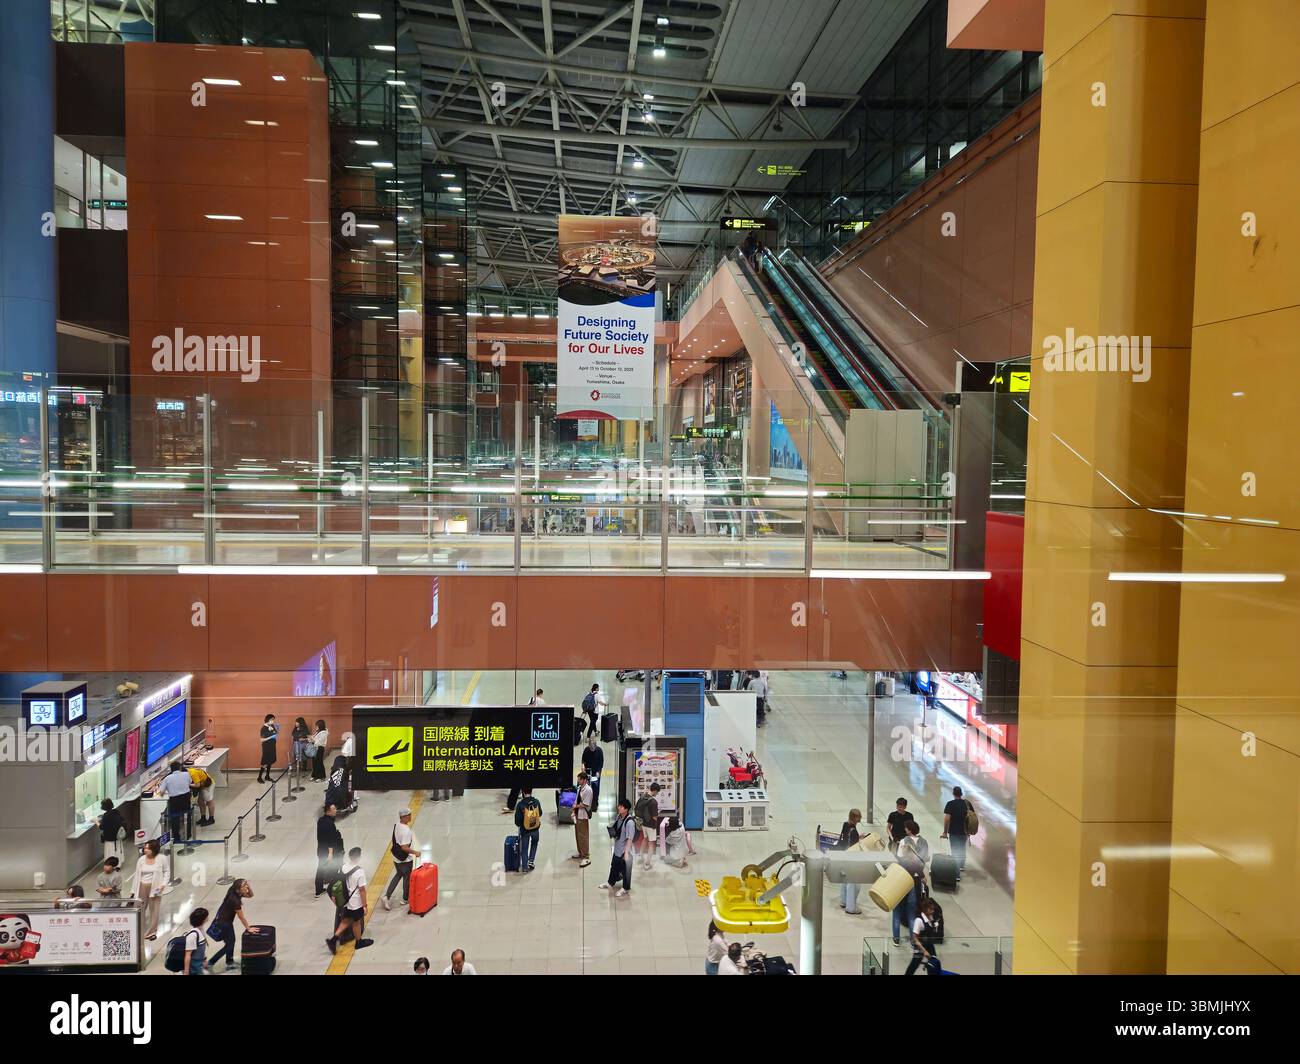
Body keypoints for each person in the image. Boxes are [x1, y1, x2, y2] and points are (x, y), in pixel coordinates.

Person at [327, 847, 372, 953]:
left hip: (345, 901)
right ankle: (358, 942)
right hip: (355, 903)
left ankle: (333, 940)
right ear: (358, 857)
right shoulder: (359, 871)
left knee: (345, 920)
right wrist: (365, 905)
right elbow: (362, 890)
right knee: (356, 922)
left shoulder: (343, 867)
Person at [207, 878, 256, 972]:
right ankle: (211, 962)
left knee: (230, 942)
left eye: (246, 884)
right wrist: (248, 928)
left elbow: (251, 895)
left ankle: (229, 962)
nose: (246, 886)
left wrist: (248, 886)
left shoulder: (234, 891)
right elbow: (241, 917)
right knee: (229, 945)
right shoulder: (235, 900)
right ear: (238, 889)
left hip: (226, 922)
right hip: (224, 924)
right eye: (244, 885)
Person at [130, 839, 169, 940]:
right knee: (140, 908)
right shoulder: (141, 860)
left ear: (154, 849)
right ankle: (138, 929)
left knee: (154, 910)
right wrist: (133, 890)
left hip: (155, 888)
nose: (145, 850)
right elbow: (137, 875)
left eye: (147, 848)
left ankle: (152, 932)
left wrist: (163, 884)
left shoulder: (162, 858)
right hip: (142, 886)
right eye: (145, 848)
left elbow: (166, 872)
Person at [599, 797, 636, 897]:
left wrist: (626, 852)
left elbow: (630, 838)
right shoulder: (619, 817)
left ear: (626, 809)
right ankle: (610, 882)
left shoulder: (630, 822)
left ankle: (625, 888)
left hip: (625, 851)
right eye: (619, 805)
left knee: (626, 871)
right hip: (617, 848)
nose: (618, 807)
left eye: (621, 806)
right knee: (614, 866)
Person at [382, 807, 417, 910]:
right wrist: (416, 852)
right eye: (409, 815)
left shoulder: (397, 825)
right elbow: (404, 847)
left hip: (396, 857)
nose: (411, 816)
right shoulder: (406, 831)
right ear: (404, 817)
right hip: (405, 859)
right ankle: (405, 899)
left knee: (398, 875)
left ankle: (386, 896)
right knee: (406, 878)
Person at [904, 897, 942, 975]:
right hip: (920, 948)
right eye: (930, 909)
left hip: (929, 945)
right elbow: (915, 938)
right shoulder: (919, 921)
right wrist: (924, 951)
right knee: (913, 966)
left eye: (933, 909)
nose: (932, 911)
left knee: (934, 964)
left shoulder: (930, 917)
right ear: (925, 909)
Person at [941, 785, 972, 879]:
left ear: (953, 794)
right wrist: (969, 831)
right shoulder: (967, 804)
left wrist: (945, 831)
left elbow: (947, 818)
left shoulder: (950, 804)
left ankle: (956, 875)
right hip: (964, 831)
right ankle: (961, 866)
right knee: (962, 848)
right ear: (961, 794)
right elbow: (972, 817)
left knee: (955, 852)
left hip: (954, 832)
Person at [836, 808, 863, 914]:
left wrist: (858, 838)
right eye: (858, 816)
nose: (860, 818)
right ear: (854, 817)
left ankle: (843, 901)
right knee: (854, 883)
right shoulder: (854, 832)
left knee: (845, 880)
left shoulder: (846, 825)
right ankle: (851, 907)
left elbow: (845, 839)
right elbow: (854, 847)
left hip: (843, 856)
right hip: (851, 859)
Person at [159, 760, 194, 842]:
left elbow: (161, 792)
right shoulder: (186, 774)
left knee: (175, 819)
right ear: (180, 768)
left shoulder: (167, 778)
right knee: (187, 816)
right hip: (186, 798)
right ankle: (188, 835)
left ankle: (176, 837)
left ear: (171, 769)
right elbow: (189, 783)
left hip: (174, 800)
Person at [315, 802, 344, 897]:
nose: (336, 811)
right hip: (328, 851)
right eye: (334, 809)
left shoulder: (320, 821)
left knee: (320, 869)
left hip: (320, 849)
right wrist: (331, 853)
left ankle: (319, 889)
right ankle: (334, 888)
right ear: (328, 811)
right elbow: (331, 840)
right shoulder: (330, 824)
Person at [514, 788, 542, 874]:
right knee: (534, 843)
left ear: (523, 792)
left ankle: (525, 867)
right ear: (531, 791)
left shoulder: (520, 804)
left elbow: (517, 821)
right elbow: (540, 813)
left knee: (524, 848)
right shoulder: (536, 801)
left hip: (525, 830)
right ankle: (531, 861)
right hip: (535, 829)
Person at [634, 783, 661, 870]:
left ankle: (640, 855)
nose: (657, 794)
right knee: (651, 843)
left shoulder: (642, 797)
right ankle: (647, 863)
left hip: (643, 824)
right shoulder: (653, 802)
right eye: (657, 792)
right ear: (655, 791)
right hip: (651, 825)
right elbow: (654, 817)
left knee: (645, 839)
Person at [571, 771, 593, 867]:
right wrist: (574, 808)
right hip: (577, 814)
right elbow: (577, 799)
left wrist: (576, 806)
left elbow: (585, 804)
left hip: (583, 816)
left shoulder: (588, 790)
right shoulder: (580, 788)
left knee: (583, 836)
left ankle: (586, 856)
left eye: (579, 779)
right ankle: (580, 852)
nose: (578, 781)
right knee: (578, 835)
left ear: (584, 780)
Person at [179, 907, 208, 976]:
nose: (208, 918)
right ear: (202, 919)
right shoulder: (193, 935)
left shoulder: (201, 930)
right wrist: (186, 972)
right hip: (193, 969)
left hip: (198, 966)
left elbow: (199, 949)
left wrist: (204, 959)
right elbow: (188, 955)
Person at [581, 736, 604, 813]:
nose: (591, 749)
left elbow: (601, 763)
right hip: (588, 772)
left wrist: (598, 772)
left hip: (596, 772)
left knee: (595, 789)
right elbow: (583, 760)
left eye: (593, 748)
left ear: (595, 746)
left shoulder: (599, 751)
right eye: (590, 748)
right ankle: (586, 804)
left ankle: (594, 805)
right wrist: (583, 766)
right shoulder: (586, 750)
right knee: (586, 788)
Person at [257, 714, 279, 784]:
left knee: (270, 761)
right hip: (266, 747)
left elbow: (275, 733)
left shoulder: (272, 726)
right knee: (265, 762)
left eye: (273, 720)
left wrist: (276, 731)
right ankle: (259, 777)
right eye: (272, 720)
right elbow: (262, 740)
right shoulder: (263, 728)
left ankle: (267, 776)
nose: (273, 721)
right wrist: (271, 737)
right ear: (268, 720)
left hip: (272, 746)